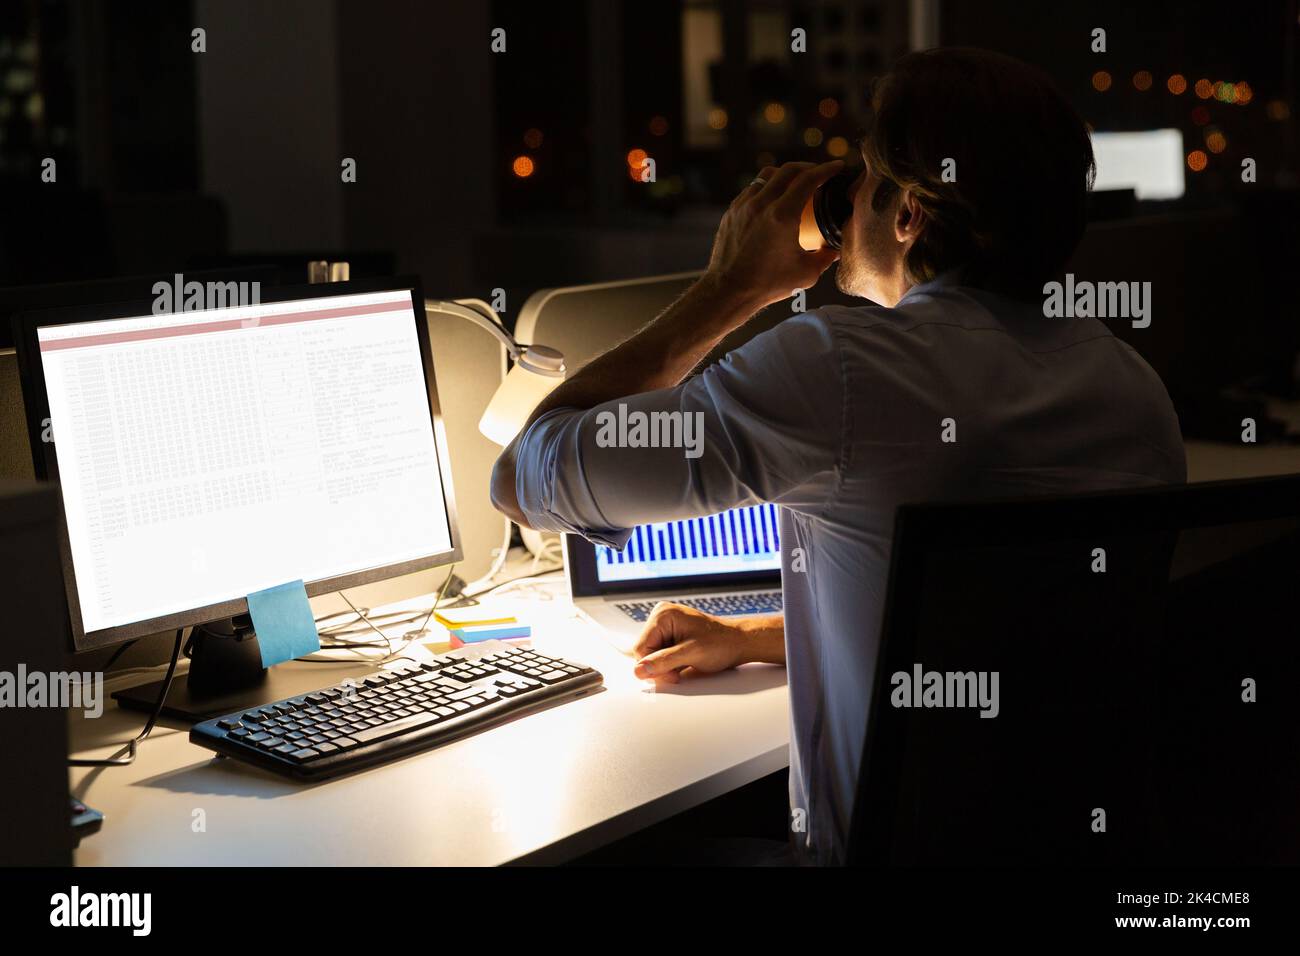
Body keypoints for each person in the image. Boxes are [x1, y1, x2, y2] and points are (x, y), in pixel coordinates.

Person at [490, 47, 1186, 865]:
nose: (845, 201)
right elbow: (996, 635)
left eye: (862, 177)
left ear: (907, 215)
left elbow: (526, 477)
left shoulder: (842, 367)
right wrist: (757, 636)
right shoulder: (1134, 390)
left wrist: (733, 286)